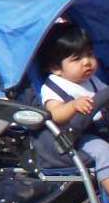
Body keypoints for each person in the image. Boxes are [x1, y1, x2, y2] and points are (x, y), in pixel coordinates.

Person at [38, 22, 109, 192]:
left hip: (98, 128)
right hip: (75, 137)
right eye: (77, 59)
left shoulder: (92, 80)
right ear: (56, 68)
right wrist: (72, 106)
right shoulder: (54, 86)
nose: (87, 62)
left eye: (90, 55)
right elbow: (54, 114)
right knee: (104, 152)